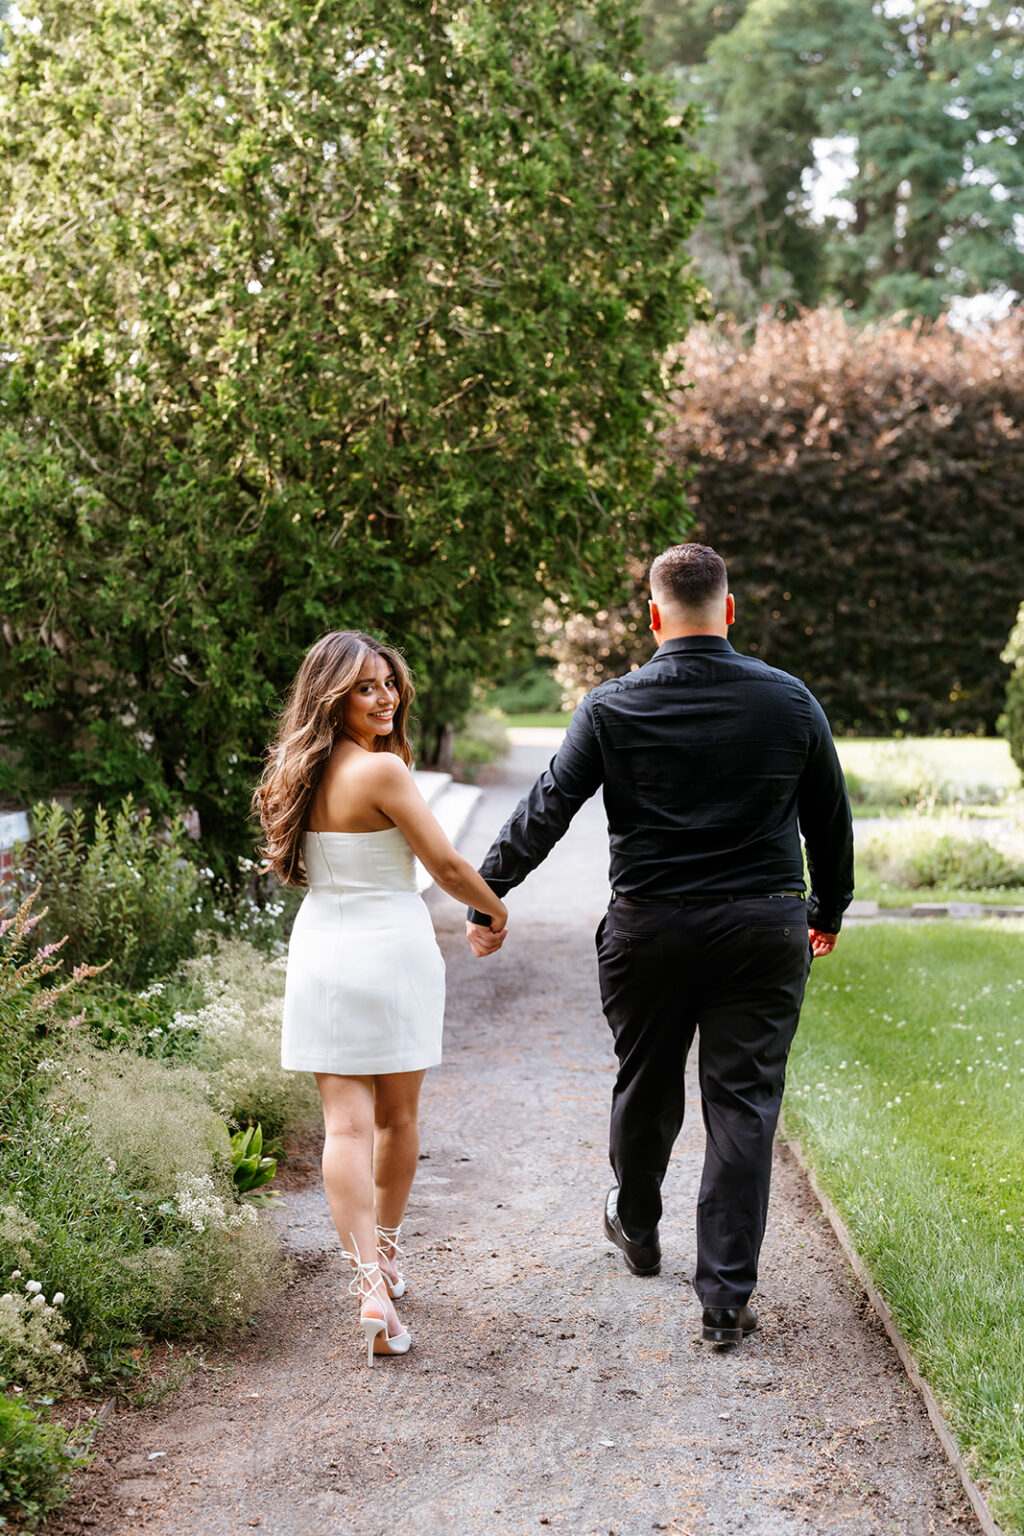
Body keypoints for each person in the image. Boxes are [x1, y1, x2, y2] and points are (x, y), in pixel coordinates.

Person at [466, 545, 853, 1345]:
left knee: (646, 1079)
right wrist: (830, 909)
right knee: (742, 1102)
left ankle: (637, 1225)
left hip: (650, 929)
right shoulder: (790, 702)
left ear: (653, 614)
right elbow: (830, 819)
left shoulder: (612, 707)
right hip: (761, 927)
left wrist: (487, 894)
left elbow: (546, 809)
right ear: (730, 608)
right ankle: (723, 1299)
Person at [255, 631, 507, 1365]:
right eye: (367, 687)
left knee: (345, 1128)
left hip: (322, 951)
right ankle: (384, 1264)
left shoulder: (295, 773)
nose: (386, 696)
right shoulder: (384, 774)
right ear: (333, 695)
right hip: (391, 950)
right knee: (395, 1119)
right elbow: (449, 865)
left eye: (390, 683)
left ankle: (373, 1276)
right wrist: (494, 911)